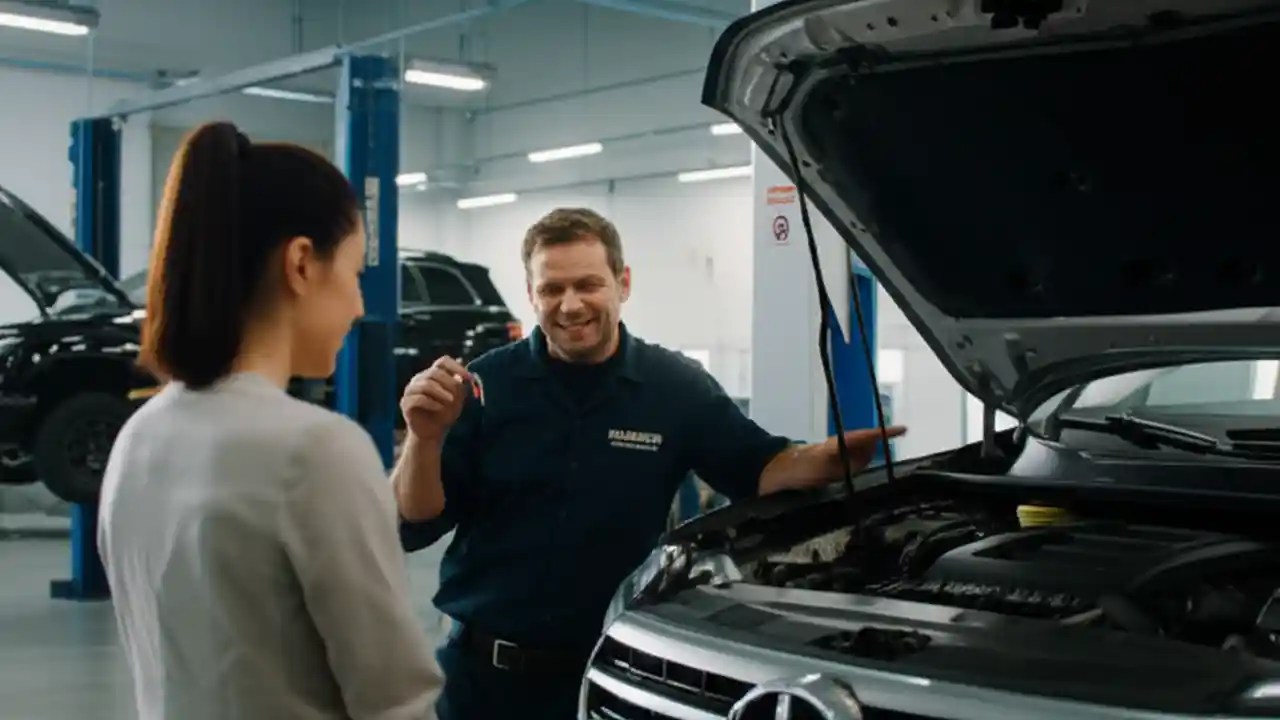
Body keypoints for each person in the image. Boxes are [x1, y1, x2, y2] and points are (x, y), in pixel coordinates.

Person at [392, 207, 904, 719]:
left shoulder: (673, 388)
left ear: (623, 283)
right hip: (485, 684)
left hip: (613, 678)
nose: (570, 305)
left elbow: (758, 466)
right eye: (552, 289)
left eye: (588, 284)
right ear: (532, 295)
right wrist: (424, 438)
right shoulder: (485, 386)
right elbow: (417, 519)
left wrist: (827, 459)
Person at [97, 121, 443, 720]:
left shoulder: (140, 436)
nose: (360, 306)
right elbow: (395, 700)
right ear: (302, 264)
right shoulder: (316, 449)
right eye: (356, 273)